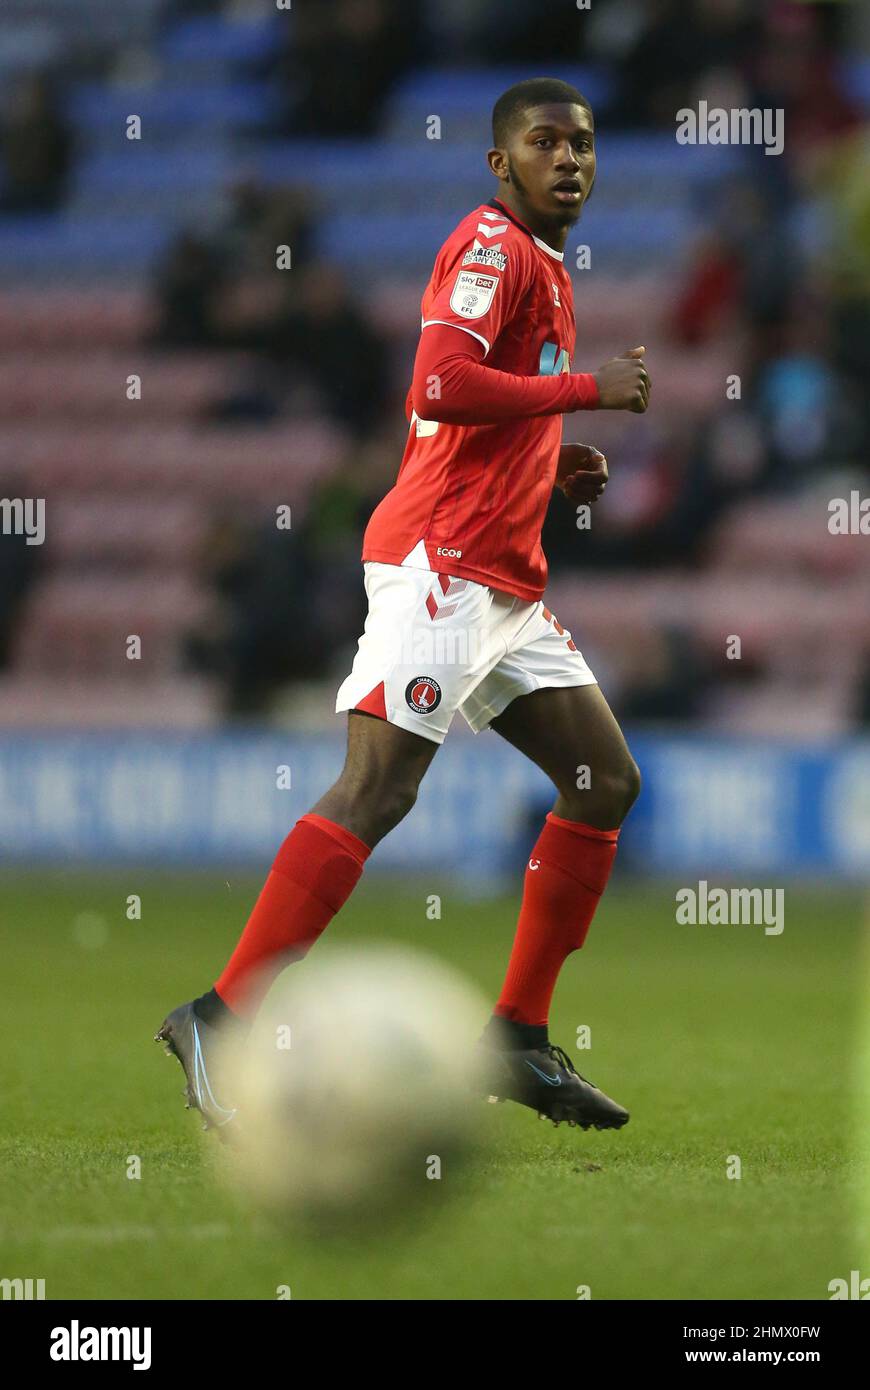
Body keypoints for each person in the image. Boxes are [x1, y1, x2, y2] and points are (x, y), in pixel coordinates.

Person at [157, 77, 651, 1136]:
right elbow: (438, 383)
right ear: (500, 163)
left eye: (584, 144)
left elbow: (478, 409)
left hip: (505, 578)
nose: (570, 159)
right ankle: (220, 1015)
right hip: (441, 568)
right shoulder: (491, 247)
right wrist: (582, 393)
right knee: (376, 790)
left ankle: (515, 1038)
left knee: (601, 779)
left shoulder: (547, 265)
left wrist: (547, 463)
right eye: (544, 142)